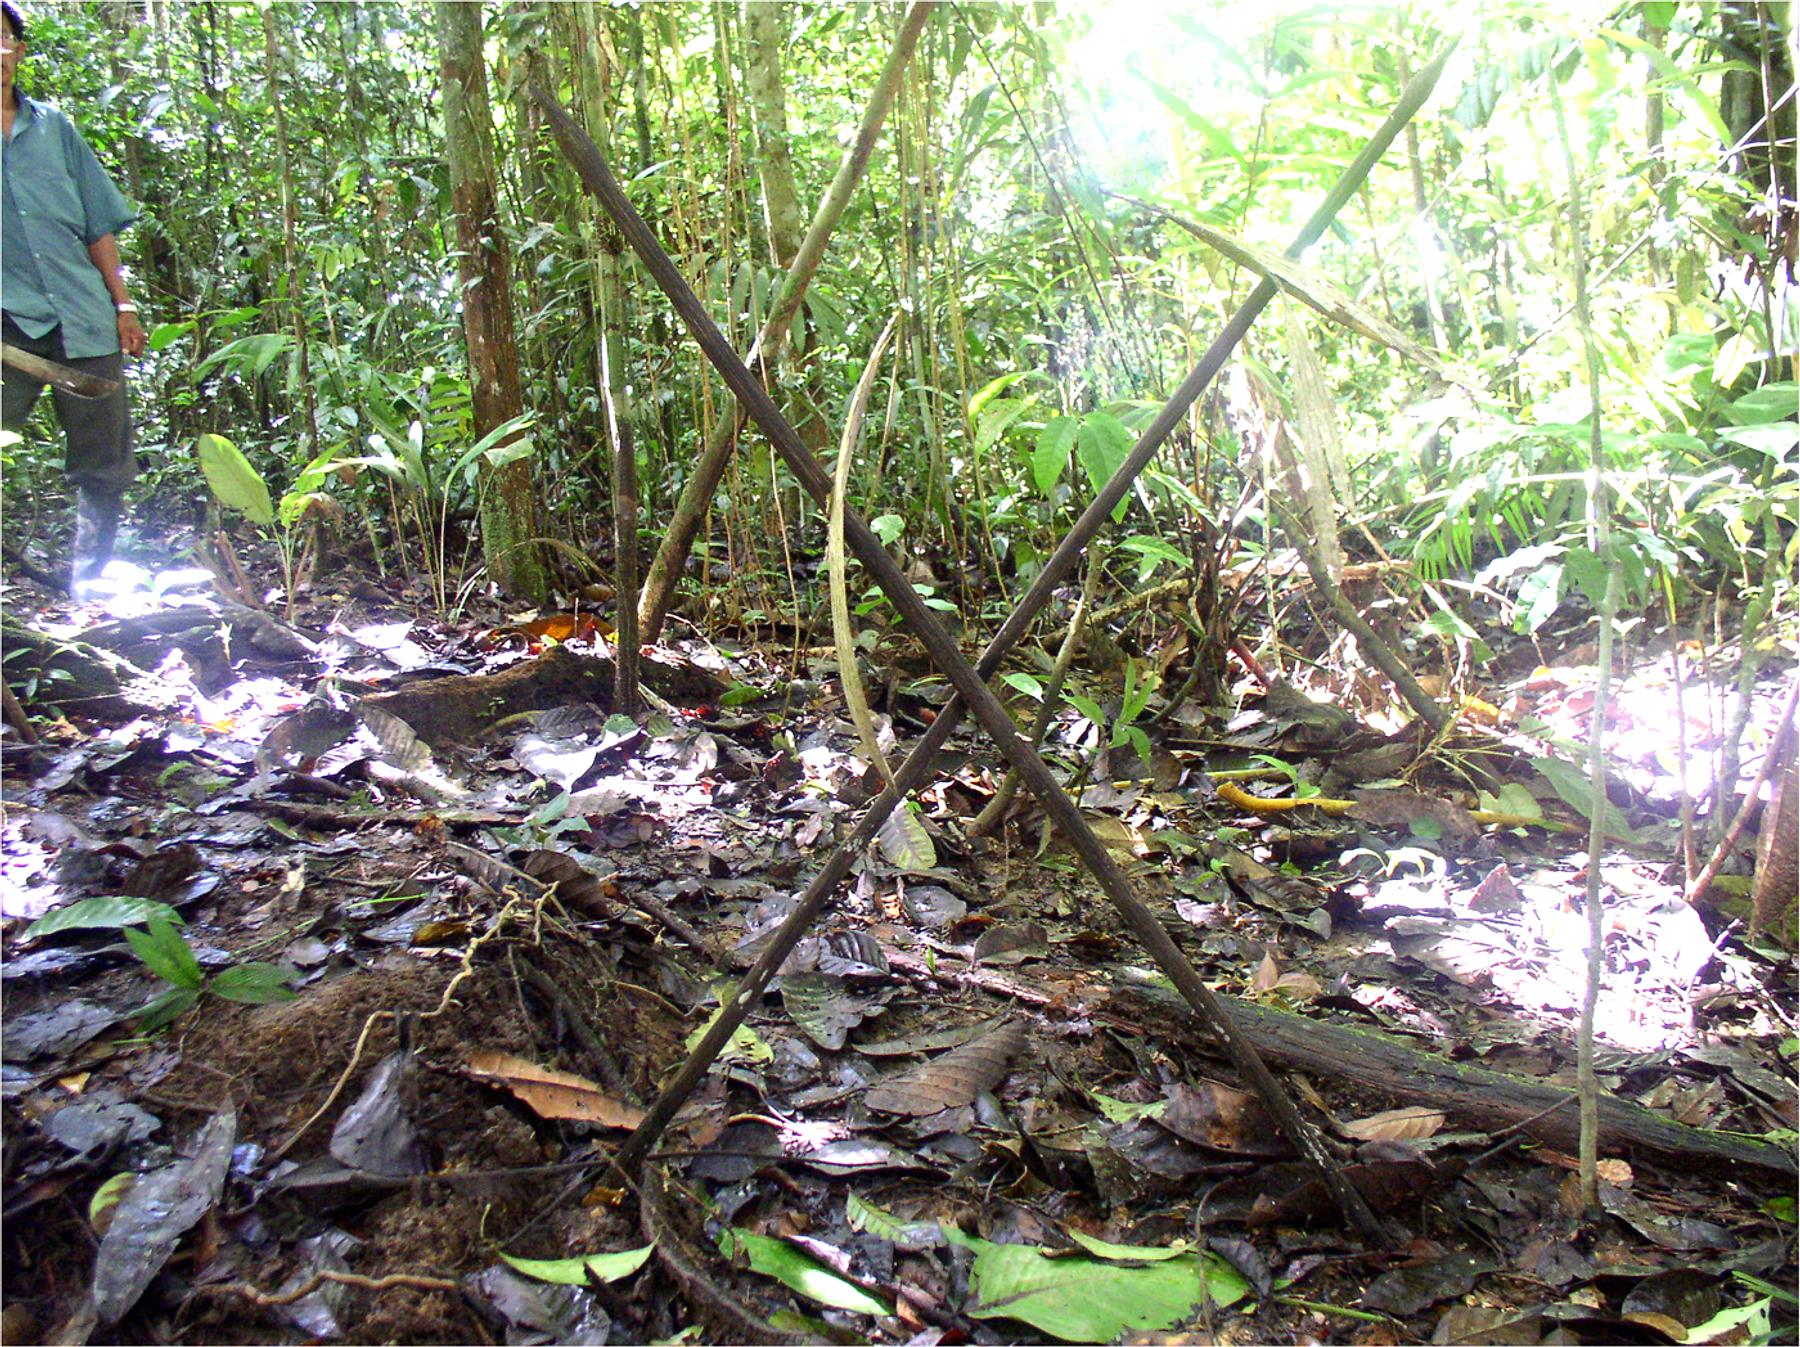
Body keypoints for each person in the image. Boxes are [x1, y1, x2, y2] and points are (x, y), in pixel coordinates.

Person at [1, 0, 145, 593]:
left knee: (102, 460)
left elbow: (97, 226)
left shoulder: (53, 128)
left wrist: (123, 304)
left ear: (19, 50)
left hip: (83, 317)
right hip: (8, 326)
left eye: (3, 39)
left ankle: (90, 584)